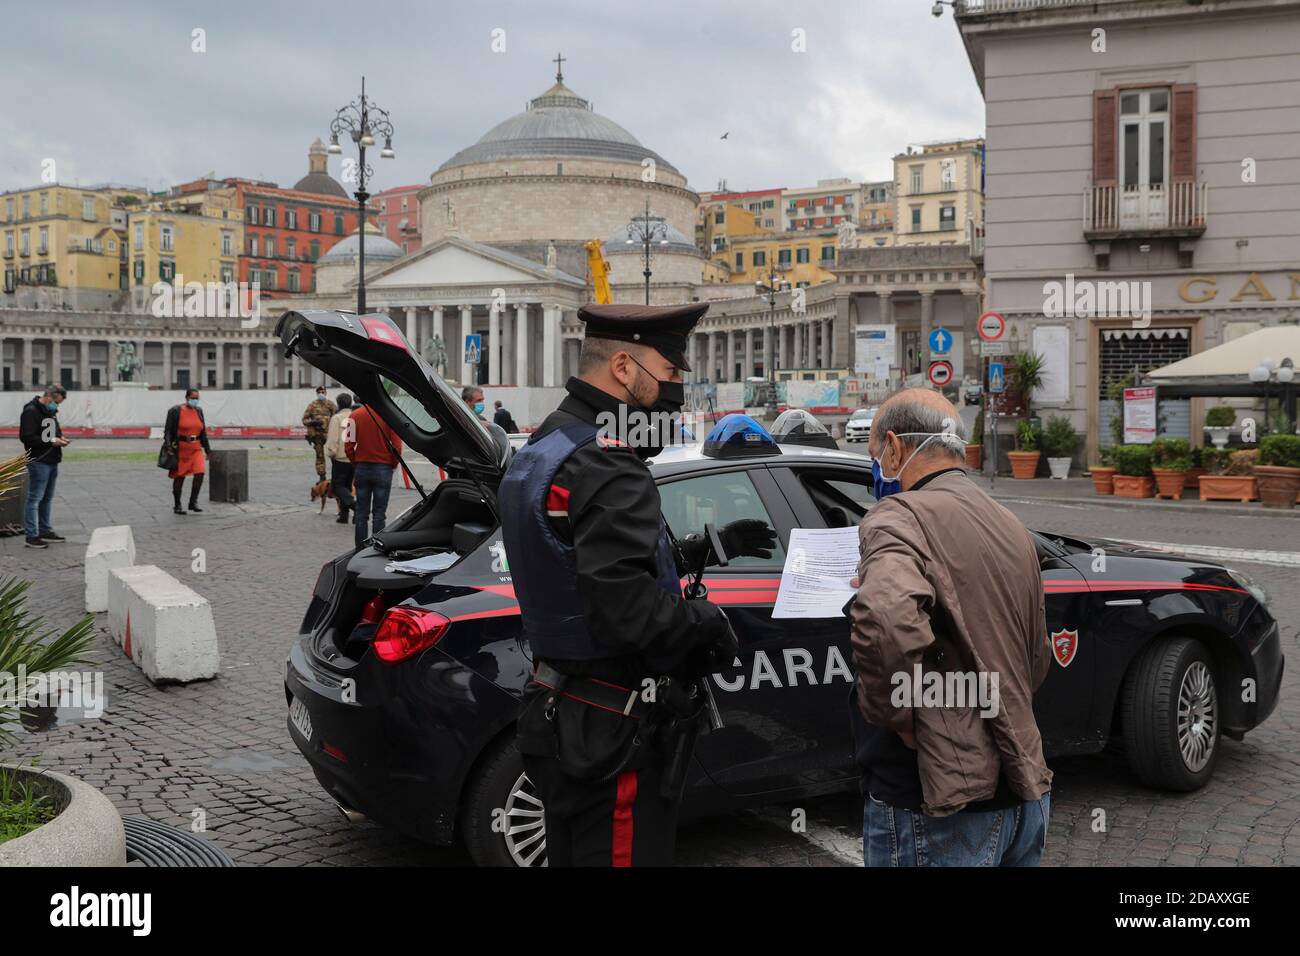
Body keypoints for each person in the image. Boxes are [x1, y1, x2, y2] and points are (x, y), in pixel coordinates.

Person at [498, 303, 773, 867]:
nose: (677, 390)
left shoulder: (548, 445)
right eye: (671, 374)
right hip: (612, 730)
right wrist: (709, 626)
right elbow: (626, 608)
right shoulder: (607, 463)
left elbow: (581, 560)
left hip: (559, 711)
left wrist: (710, 548)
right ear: (624, 367)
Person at [849, 387, 1052, 867]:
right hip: (1022, 787)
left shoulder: (898, 517)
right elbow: (1037, 656)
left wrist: (904, 720)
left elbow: (884, 624)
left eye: (875, 455)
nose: (877, 467)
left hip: (936, 799)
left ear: (895, 448)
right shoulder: (1009, 523)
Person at [345, 400, 402, 549]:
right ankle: (377, 548)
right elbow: (397, 446)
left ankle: (360, 548)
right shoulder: (389, 416)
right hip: (383, 468)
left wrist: (356, 462)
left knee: (361, 513)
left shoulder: (354, 416)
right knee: (379, 513)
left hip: (362, 467)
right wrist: (393, 464)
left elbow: (348, 446)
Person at [18, 384, 69, 548]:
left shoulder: (50, 411)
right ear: (48, 396)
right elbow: (27, 437)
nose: (57, 406)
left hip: (52, 459)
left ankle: (45, 530)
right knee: (35, 498)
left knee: (47, 498)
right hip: (38, 460)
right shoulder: (31, 411)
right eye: (56, 402)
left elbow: (55, 431)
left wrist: (61, 437)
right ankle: (31, 535)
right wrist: (52, 441)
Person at [163, 388, 212, 515]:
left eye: (197, 398)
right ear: (187, 398)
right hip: (181, 448)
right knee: (180, 476)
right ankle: (177, 504)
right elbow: (168, 431)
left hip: (196, 448)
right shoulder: (175, 411)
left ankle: (193, 502)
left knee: (200, 473)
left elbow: (203, 432)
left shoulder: (199, 411)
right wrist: (169, 447)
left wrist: (208, 450)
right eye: (193, 398)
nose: (195, 400)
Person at [323, 393, 356, 524]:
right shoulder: (355, 416)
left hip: (340, 458)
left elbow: (332, 439)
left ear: (339, 404)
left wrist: (331, 453)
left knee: (338, 487)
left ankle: (356, 507)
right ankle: (344, 515)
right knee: (347, 486)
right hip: (353, 457)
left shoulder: (336, 418)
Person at [302, 386, 336, 481]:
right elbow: (304, 419)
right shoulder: (312, 405)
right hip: (317, 436)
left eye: (323, 391)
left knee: (334, 455)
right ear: (317, 393)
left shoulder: (331, 404)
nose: (321, 393)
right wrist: (313, 422)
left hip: (329, 435)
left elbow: (336, 418)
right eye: (319, 391)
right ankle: (322, 477)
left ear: (326, 392)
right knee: (319, 456)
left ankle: (336, 476)